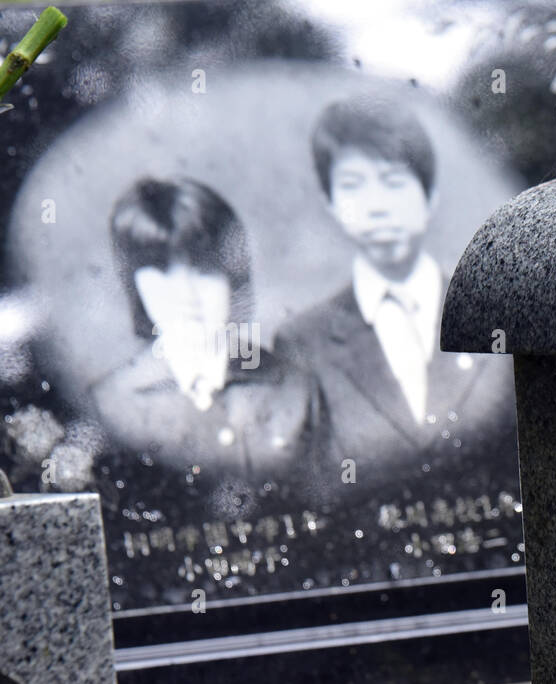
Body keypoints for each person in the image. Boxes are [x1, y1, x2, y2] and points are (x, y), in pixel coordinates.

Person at [272, 96, 514, 482]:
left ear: (430, 195)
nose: (377, 206)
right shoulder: (304, 342)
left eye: (393, 181)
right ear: (331, 204)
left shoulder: (495, 315)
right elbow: (308, 487)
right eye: (353, 186)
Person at [92, 177, 311, 475]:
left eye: (203, 270)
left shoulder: (292, 386)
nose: (185, 293)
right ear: (134, 283)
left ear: (232, 276)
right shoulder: (109, 405)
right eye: (161, 270)